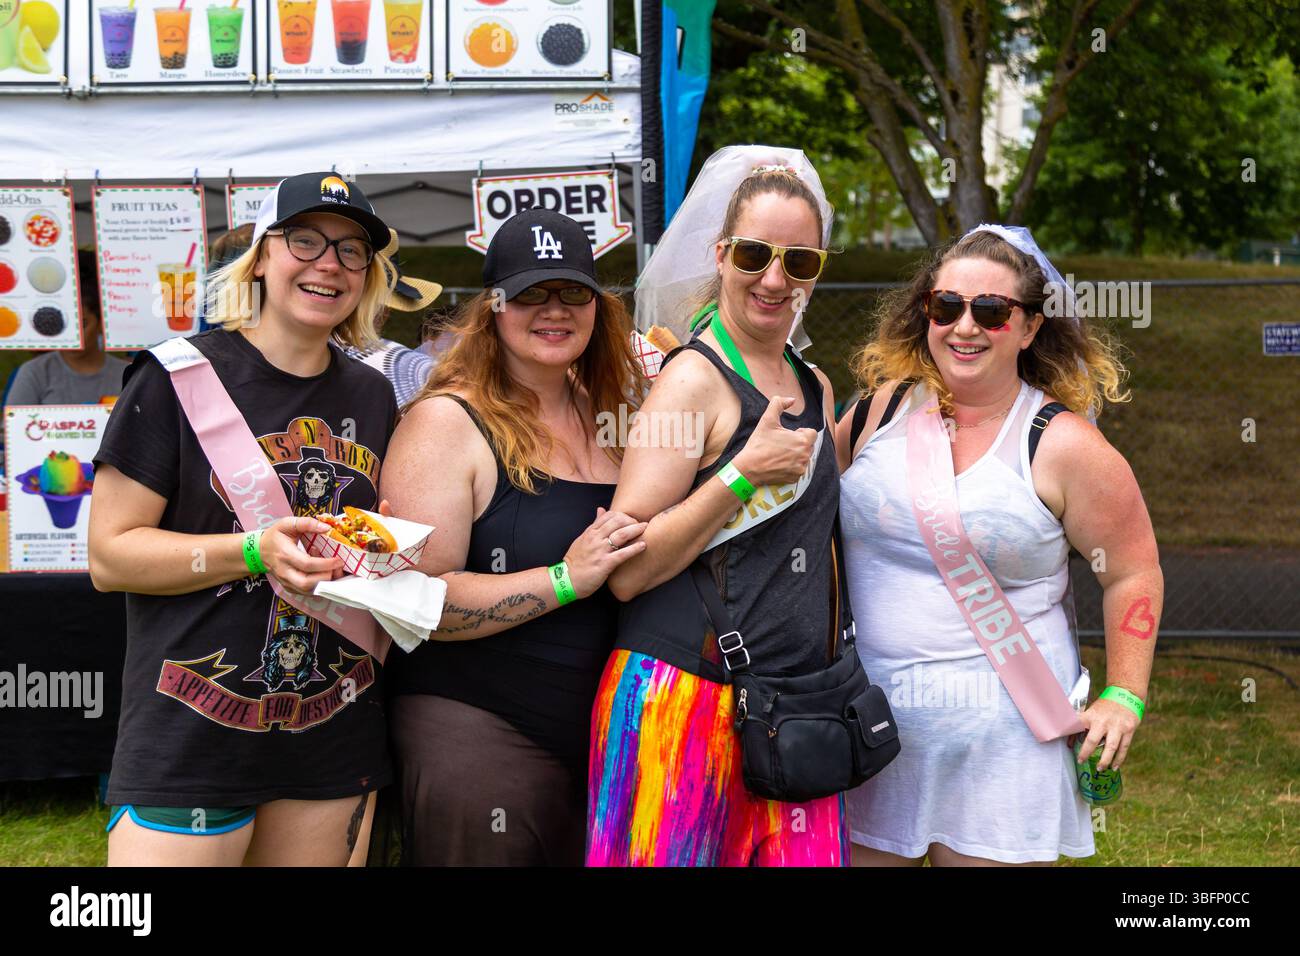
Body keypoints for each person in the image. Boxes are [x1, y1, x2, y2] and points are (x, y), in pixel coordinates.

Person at [88, 172, 400, 866]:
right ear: (261, 254)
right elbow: (110, 559)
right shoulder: (173, 379)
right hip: (192, 730)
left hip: (331, 730)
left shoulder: (375, 397)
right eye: (307, 241)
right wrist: (253, 550)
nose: (331, 264)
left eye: (353, 251)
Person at [837, 224, 1163, 866]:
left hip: (1006, 744)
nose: (965, 326)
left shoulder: (1063, 444)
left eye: (991, 311)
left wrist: (1124, 696)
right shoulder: (881, 410)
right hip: (867, 734)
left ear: (1030, 327)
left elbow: (1132, 571)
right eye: (946, 306)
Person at [587, 148, 849, 867]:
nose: (774, 279)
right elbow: (626, 572)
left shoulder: (816, 384)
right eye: (756, 254)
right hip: (682, 699)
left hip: (793, 703)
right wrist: (740, 476)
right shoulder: (691, 382)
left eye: (799, 263)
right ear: (722, 252)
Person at [378, 210, 649, 866]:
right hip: (477, 726)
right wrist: (565, 577)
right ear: (492, 307)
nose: (553, 310)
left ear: (599, 307)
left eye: (572, 292)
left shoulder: (613, 415)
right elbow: (413, 598)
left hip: (605, 730)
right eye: (530, 293)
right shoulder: (448, 421)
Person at [5, 249, 129, 406]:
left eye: (83, 324)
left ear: (101, 324)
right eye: (64, 323)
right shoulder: (34, 373)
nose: (73, 335)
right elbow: (17, 428)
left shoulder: (128, 375)